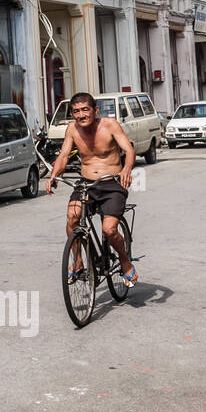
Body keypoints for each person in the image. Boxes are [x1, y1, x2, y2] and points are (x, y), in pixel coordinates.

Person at [46, 92, 138, 286]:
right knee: (72, 217)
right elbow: (63, 156)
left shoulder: (110, 125)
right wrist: (54, 175)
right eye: (76, 111)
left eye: (85, 110)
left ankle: (125, 262)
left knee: (109, 230)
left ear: (95, 110)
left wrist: (127, 169)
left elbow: (129, 149)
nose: (81, 115)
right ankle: (78, 262)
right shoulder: (72, 129)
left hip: (112, 183)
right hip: (86, 183)